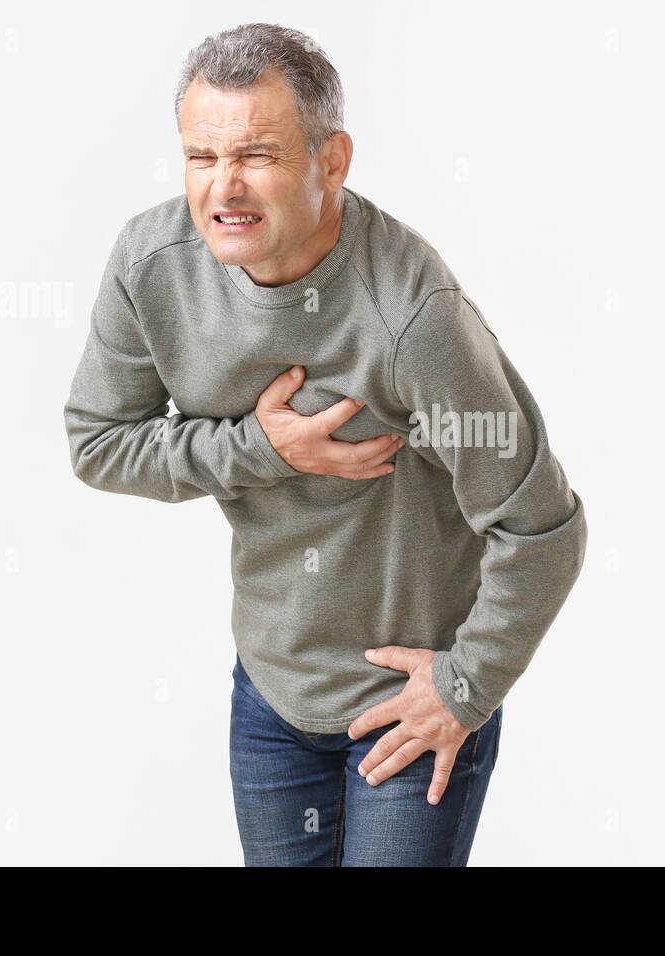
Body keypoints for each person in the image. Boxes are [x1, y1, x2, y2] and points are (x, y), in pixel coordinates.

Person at [62, 22, 588, 866]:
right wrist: (262, 448)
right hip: (272, 692)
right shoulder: (150, 264)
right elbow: (99, 442)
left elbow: (543, 529)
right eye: (202, 157)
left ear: (332, 161)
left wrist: (463, 689)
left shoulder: (413, 318)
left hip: (406, 705)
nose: (223, 188)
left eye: (257, 157)